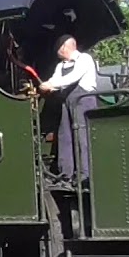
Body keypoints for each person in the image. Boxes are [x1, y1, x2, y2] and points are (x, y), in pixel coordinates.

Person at [39, 35, 98, 184]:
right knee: (65, 135)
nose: (57, 53)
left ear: (65, 47)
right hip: (67, 101)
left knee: (82, 137)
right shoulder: (61, 65)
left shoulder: (84, 59)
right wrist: (47, 85)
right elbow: (55, 78)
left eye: (58, 49)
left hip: (83, 100)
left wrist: (53, 84)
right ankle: (66, 173)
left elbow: (73, 77)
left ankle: (85, 175)